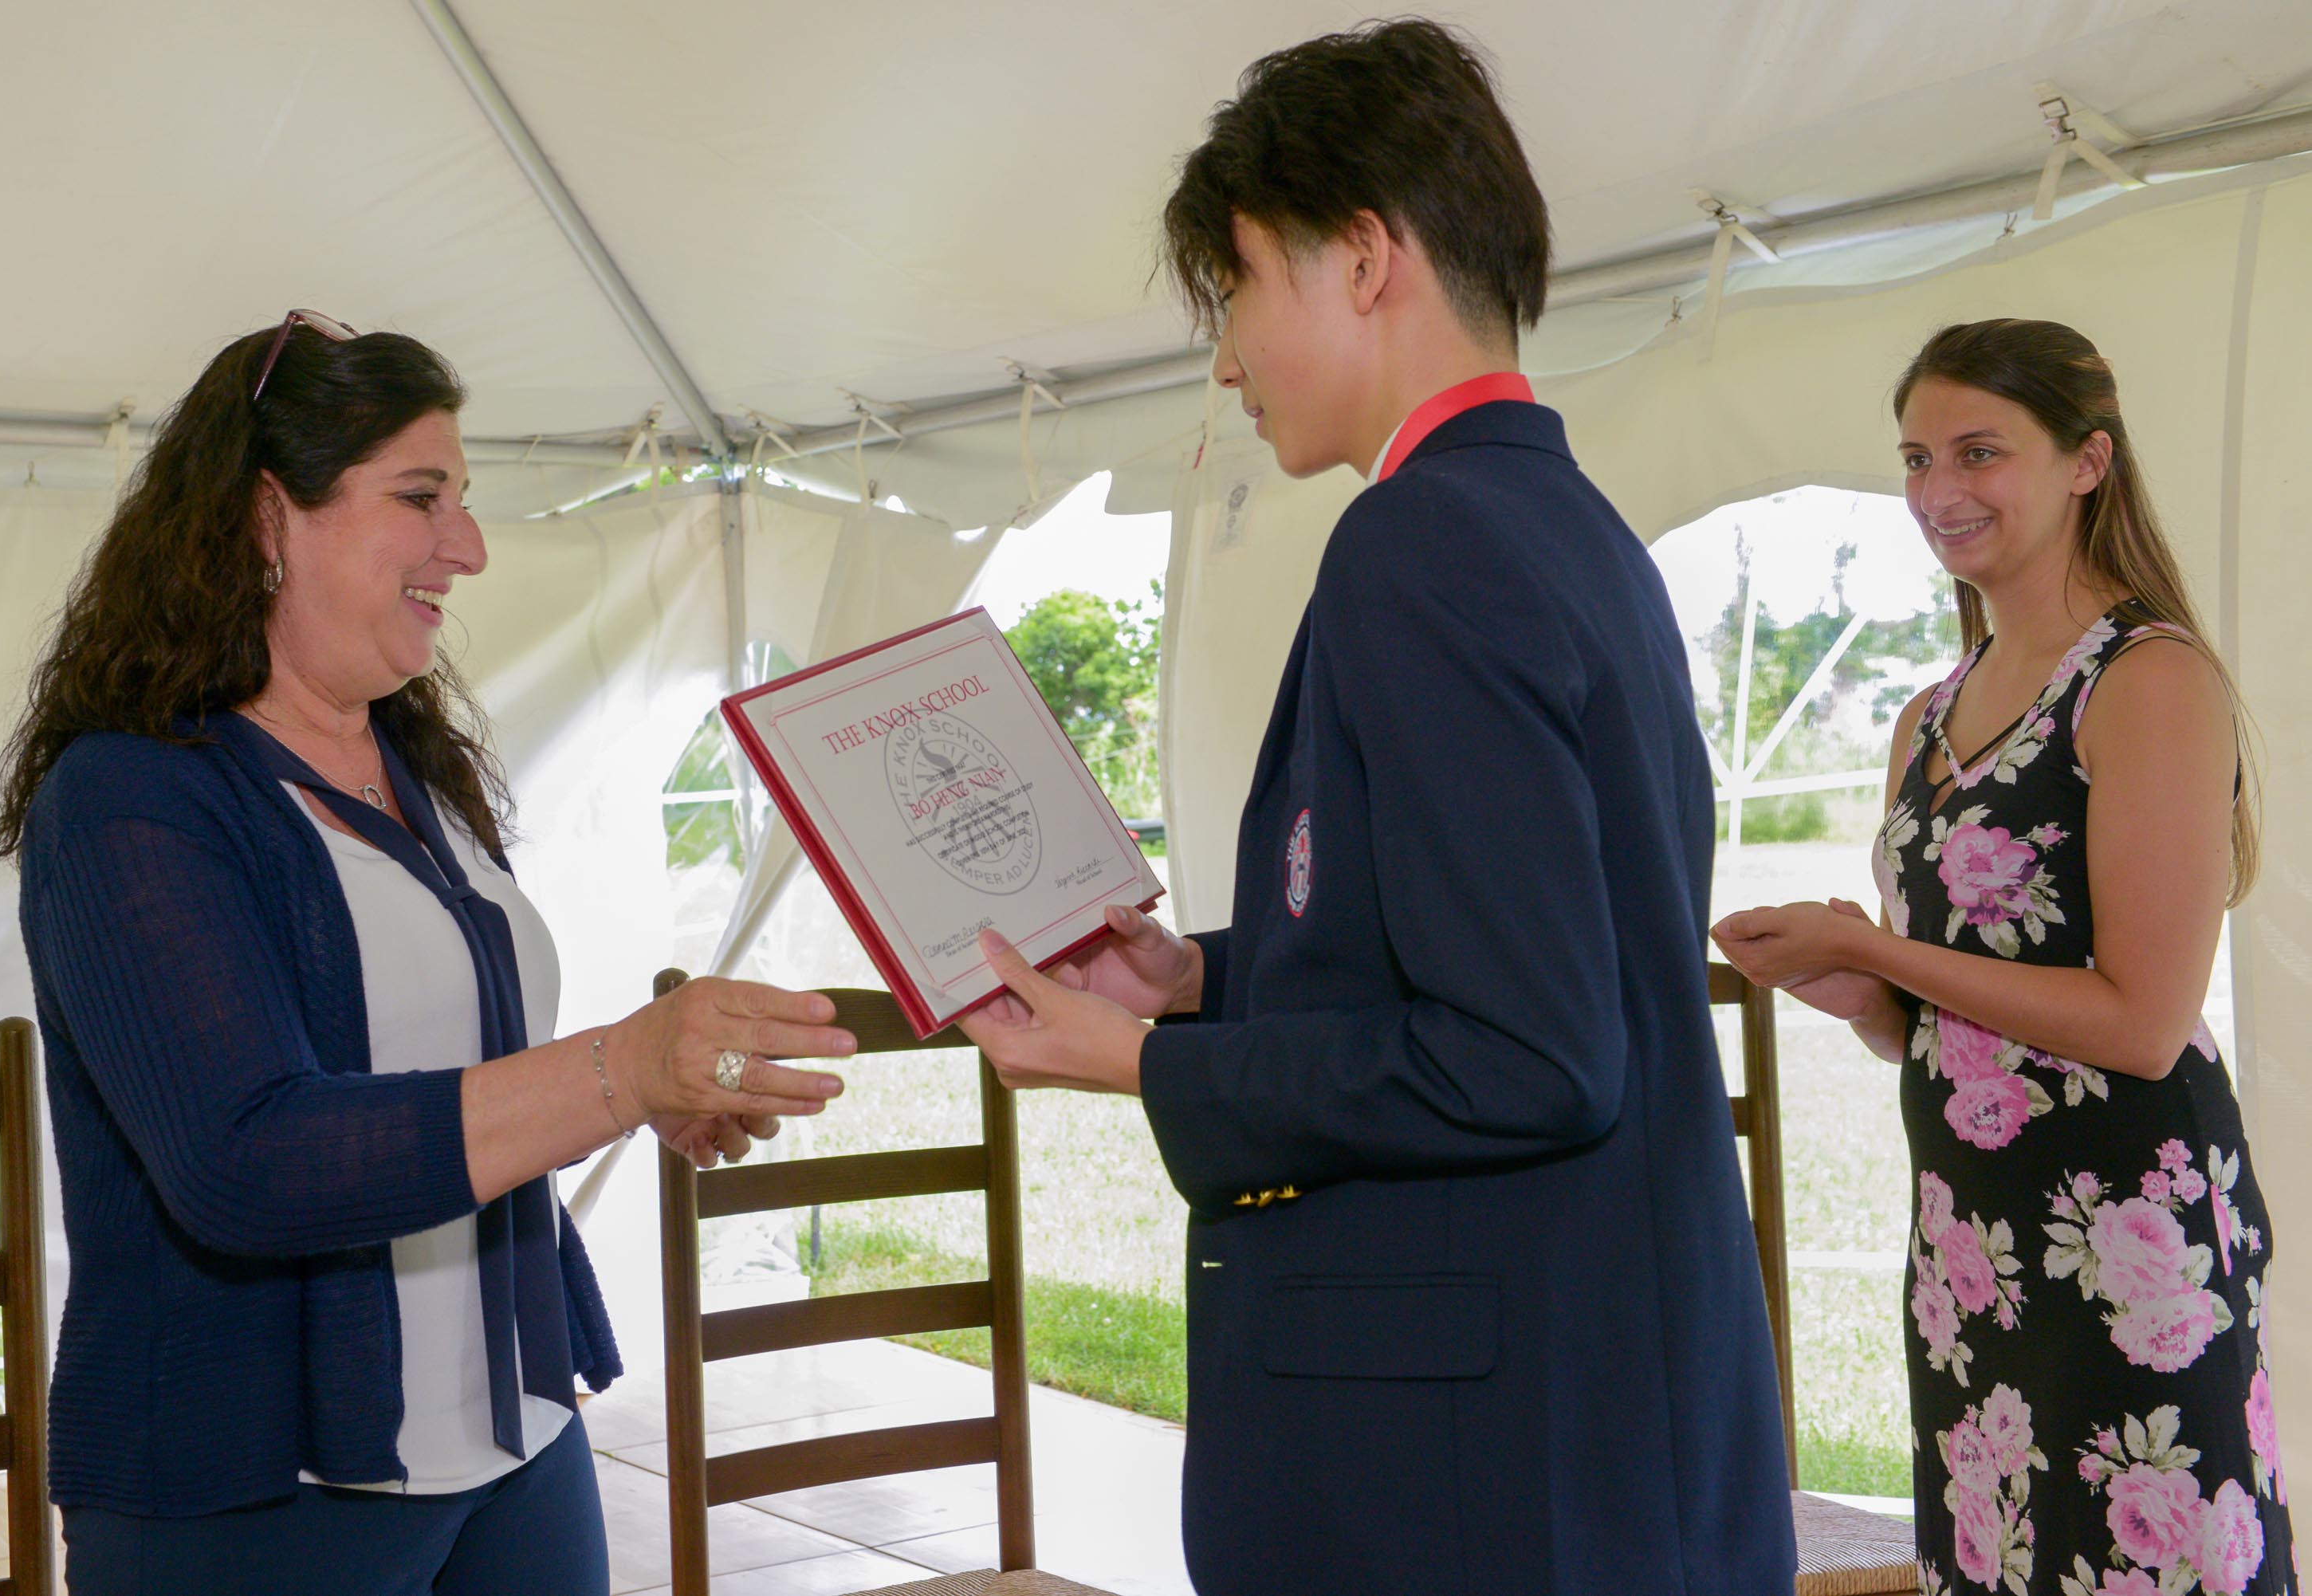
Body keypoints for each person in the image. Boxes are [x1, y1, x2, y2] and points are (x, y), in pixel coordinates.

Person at [959, 21, 1795, 1594]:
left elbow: (1530, 1052)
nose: (1223, 356)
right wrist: (1208, 971)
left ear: (1361, 258)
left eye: (1236, 291)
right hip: (1601, 1398)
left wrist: (1142, 1056)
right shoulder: (1564, 525)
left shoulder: (1421, 544)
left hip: (1471, 1471)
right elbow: (1520, 926)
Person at [0, 313, 856, 1595]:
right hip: (253, 1490)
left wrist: (638, 1097)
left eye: (466, 499)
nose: (471, 546)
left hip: (517, 1437)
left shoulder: (419, 769)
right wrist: (615, 1070)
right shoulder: (127, 797)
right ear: (267, 516)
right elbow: (246, 1158)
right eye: (421, 496)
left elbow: (442, 1067)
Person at [1714, 320, 2295, 1595]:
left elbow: (2144, 1020)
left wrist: (1885, 952)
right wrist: (1858, 986)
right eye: (1919, 458)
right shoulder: (1928, 717)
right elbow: (1925, 1025)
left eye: (1981, 452)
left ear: (2088, 461)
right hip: (1972, 1238)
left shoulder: (2147, 679)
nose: (1938, 492)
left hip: (2132, 1228)